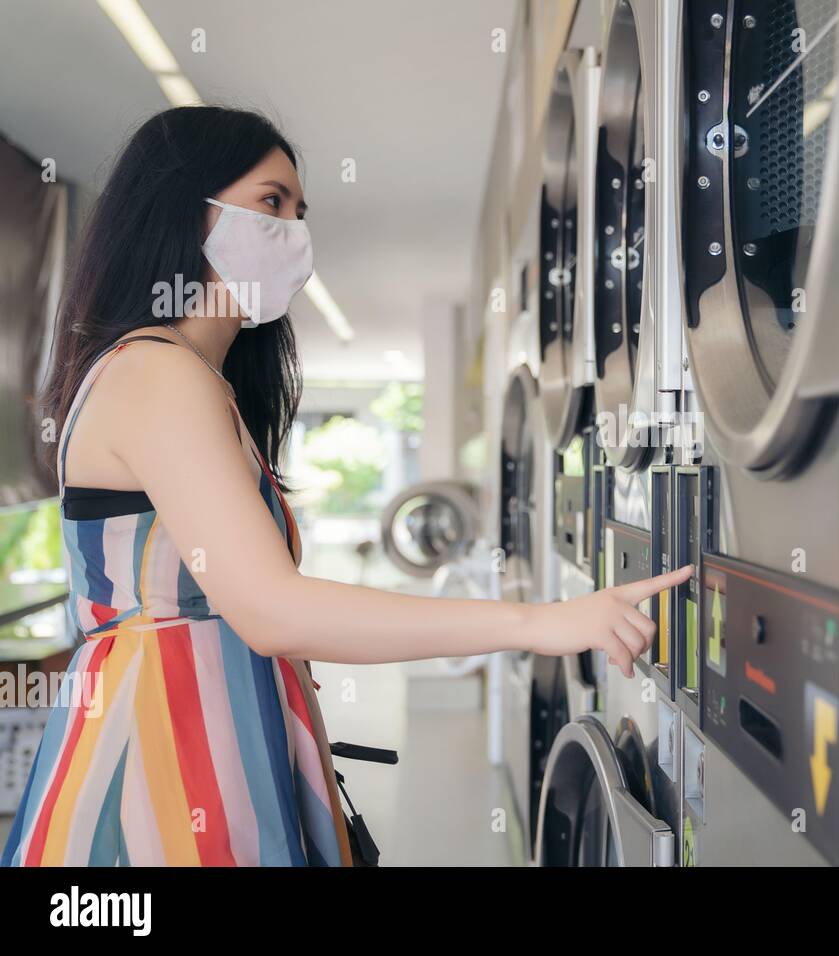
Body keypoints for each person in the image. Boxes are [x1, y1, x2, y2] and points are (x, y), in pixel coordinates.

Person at [2, 107, 689, 867]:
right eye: (271, 203)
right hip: (162, 778)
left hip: (211, 748)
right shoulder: (154, 371)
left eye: (300, 212)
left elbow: (252, 615)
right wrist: (536, 623)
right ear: (183, 207)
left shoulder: (195, 380)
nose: (295, 233)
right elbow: (273, 611)